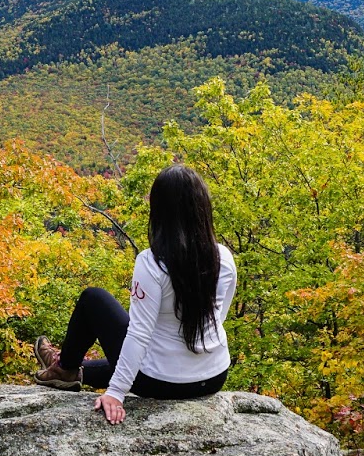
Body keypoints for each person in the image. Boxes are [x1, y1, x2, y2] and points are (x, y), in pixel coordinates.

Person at [33, 164, 236, 424]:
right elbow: (218, 319)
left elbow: (139, 335)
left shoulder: (152, 263)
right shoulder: (224, 259)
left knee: (93, 299)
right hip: (213, 377)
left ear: (159, 210)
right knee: (148, 351)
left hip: (159, 385)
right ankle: (70, 370)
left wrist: (116, 393)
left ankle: (65, 367)